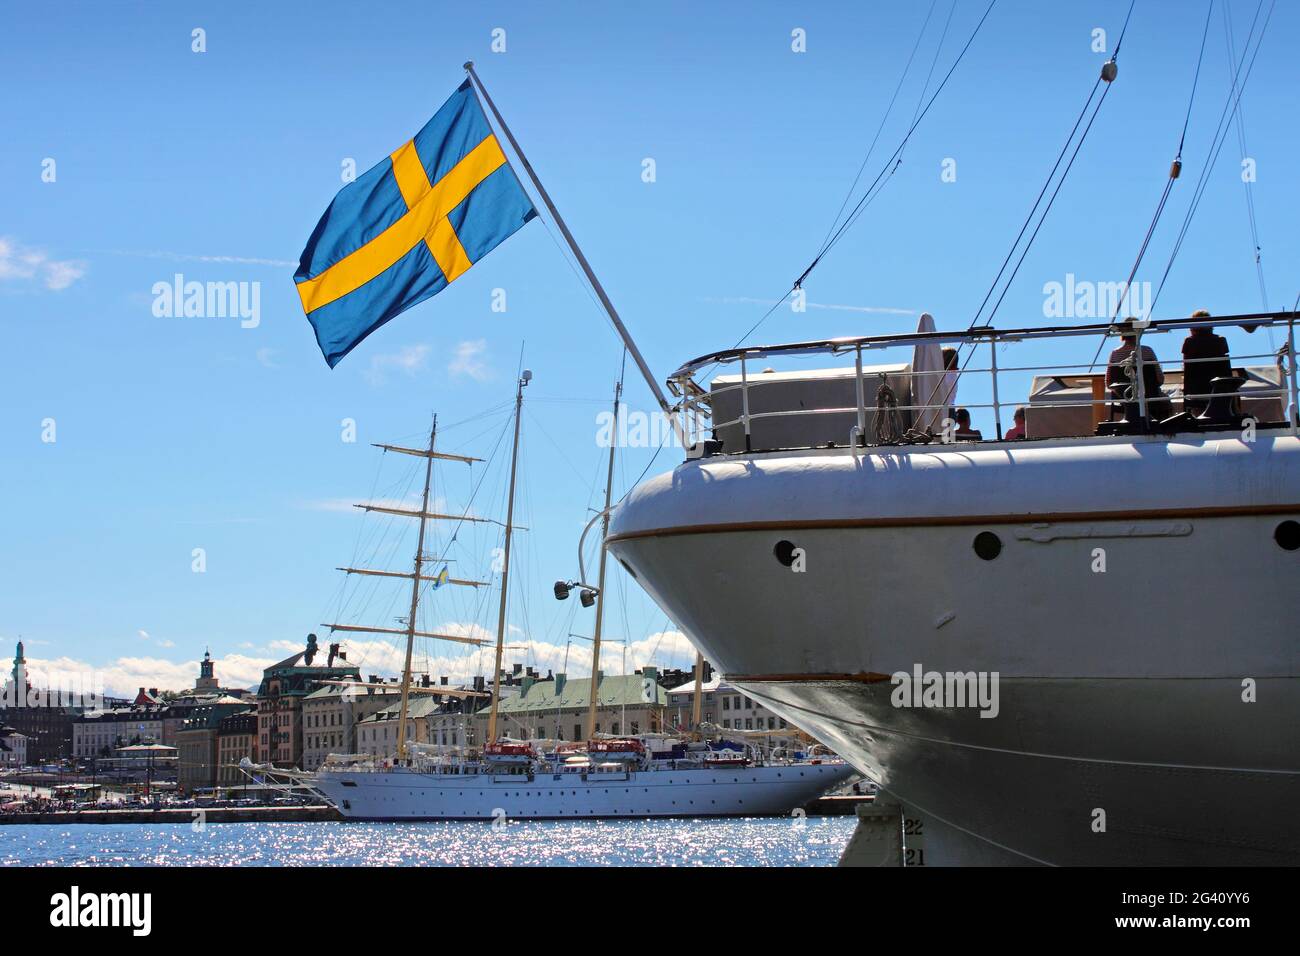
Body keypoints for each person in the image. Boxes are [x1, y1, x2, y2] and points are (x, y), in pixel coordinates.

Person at [1106, 318, 1172, 420]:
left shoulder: (1115, 354)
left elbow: (1109, 383)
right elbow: (1160, 379)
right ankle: (1161, 428)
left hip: (1125, 398)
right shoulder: (1147, 351)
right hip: (1149, 395)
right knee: (1165, 400)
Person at [1181, 309, 1232, 416]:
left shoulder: (1189, 342)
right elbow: (1225, 368)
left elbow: (1187, 369)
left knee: (1198, 411)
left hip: (1196, 388)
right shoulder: (1220, 340)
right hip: (1219, 386)